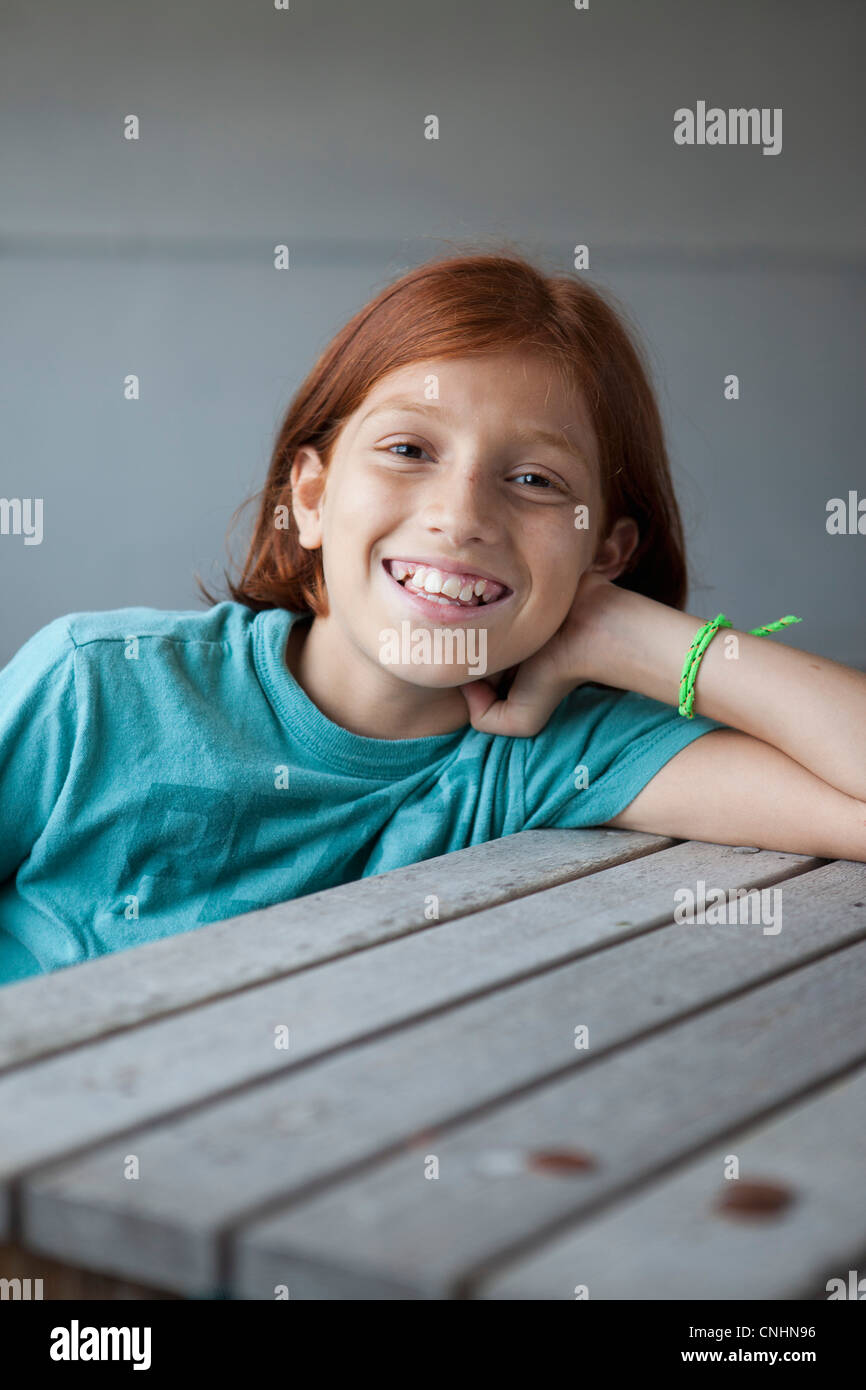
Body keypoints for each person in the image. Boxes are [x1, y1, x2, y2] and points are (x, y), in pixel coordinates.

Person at [1, 249, 863, 985]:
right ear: (310, 496)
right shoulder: (96, 687)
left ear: (603, 551)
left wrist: (634, 634)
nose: (461, 516)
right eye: (409, 450)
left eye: (536, 481)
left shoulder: (548, 756)